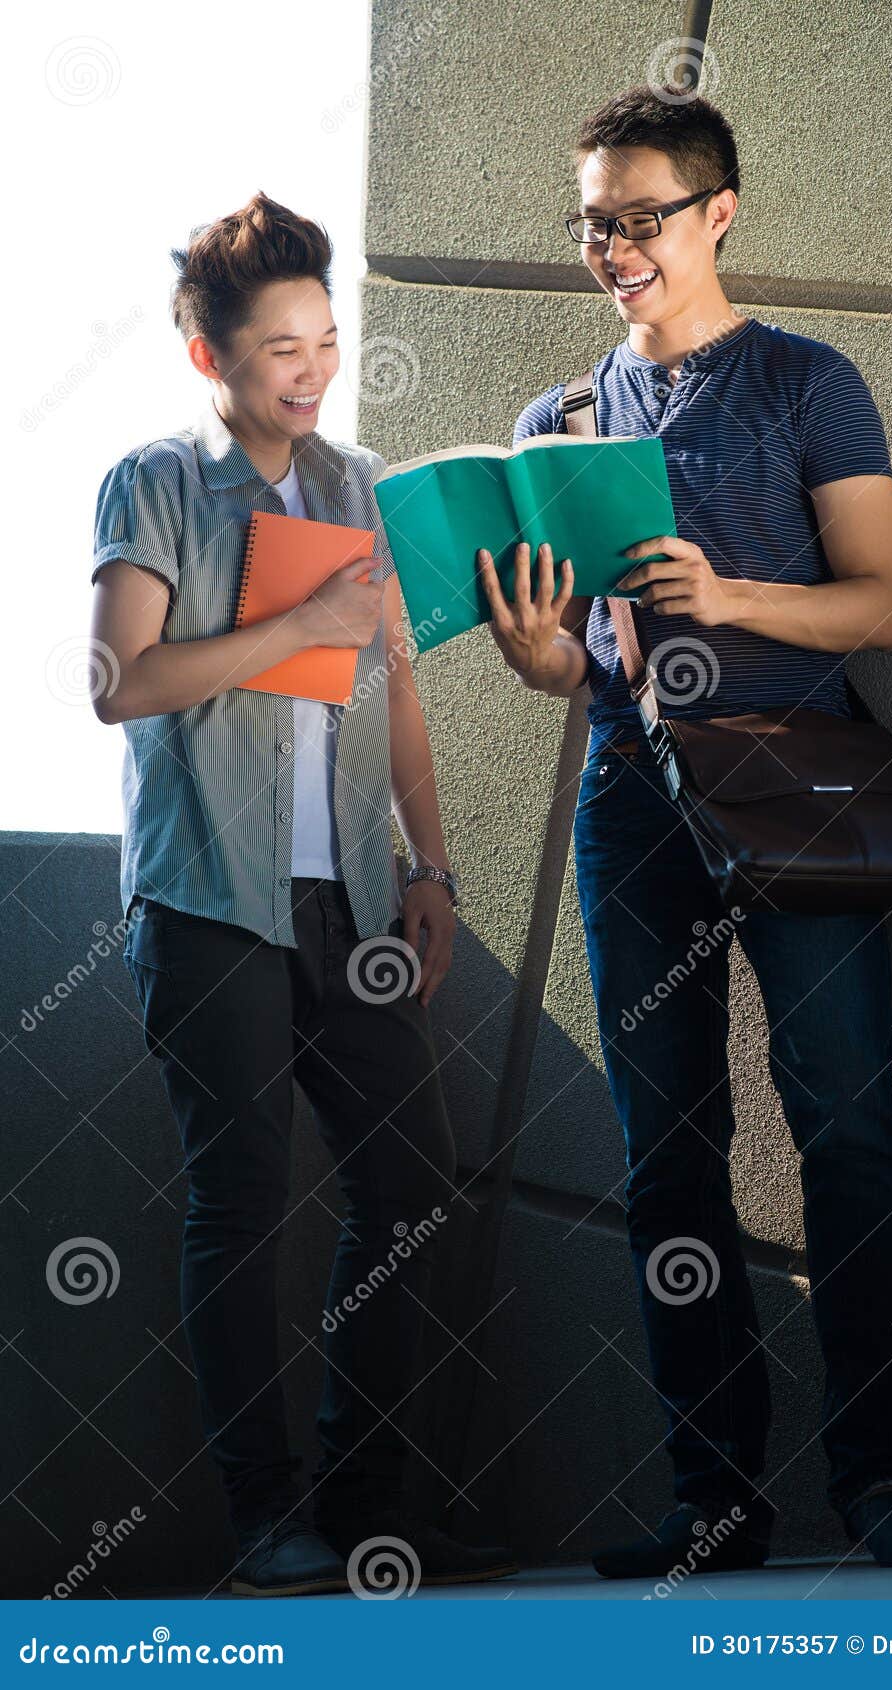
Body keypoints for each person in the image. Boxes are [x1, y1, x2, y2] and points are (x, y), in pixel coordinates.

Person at [479, 88, 892, 1577]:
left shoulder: (811, 380)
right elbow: (577, 667)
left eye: (638, 216)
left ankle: (882, 1479)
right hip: (639, 802)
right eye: (591, 222)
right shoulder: (552, 422)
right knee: (666, 1156)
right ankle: (717, 1499)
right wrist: (538, 651)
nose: (610, 245)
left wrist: (729, 593)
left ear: (719, 213)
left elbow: (878, 600)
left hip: (802, 780)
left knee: (846, 1129)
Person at [90, 192, 516, 1595]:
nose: (313, 368)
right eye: (282, 346)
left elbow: (388, 687)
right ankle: (267, 1518)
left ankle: (360, 1510)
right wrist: (292, 626)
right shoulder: (152, 481)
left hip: (349, 905)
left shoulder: (354, 484)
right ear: (212, 357)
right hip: (212, 899)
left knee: (411, 1183)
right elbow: (121, 685)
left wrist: (434, 865)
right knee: (242, 1203)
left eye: (327, 338)